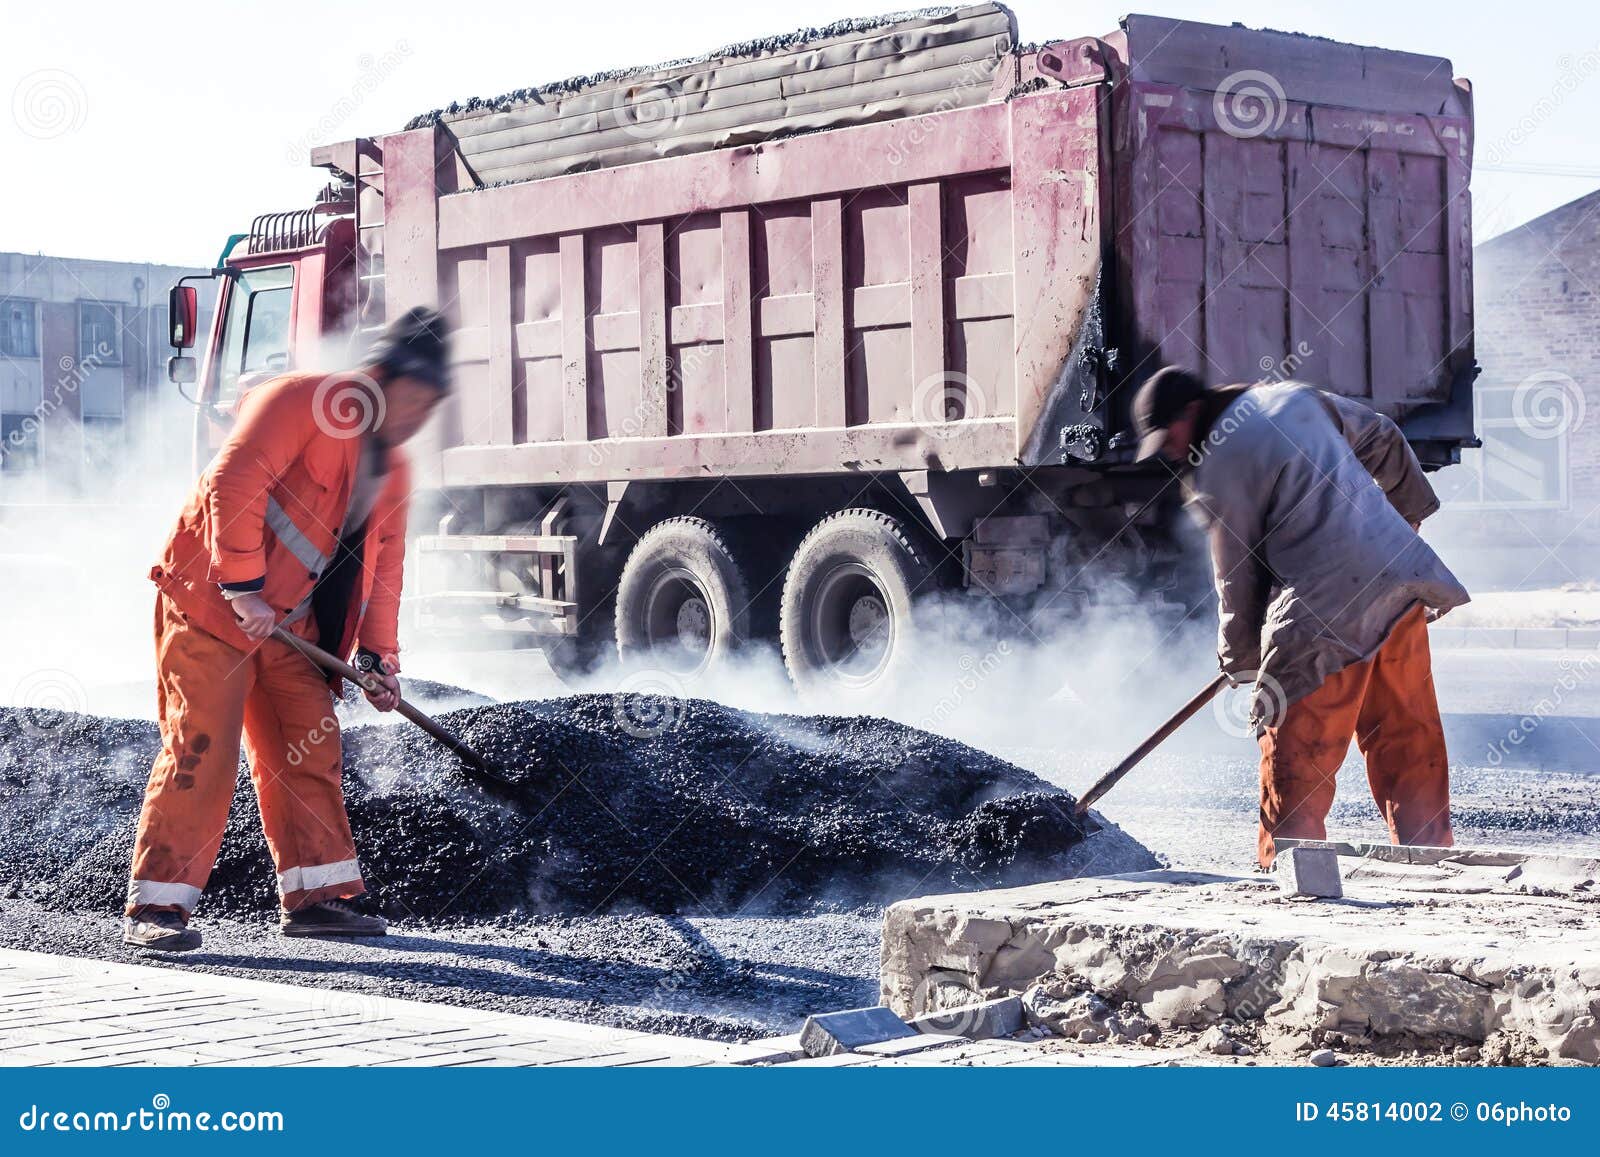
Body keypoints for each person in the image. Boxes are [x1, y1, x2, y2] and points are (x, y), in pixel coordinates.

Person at [122, 308, 451, 951]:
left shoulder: (394, 470)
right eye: (417, 399)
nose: (421, 417)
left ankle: (318, 899)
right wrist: (242, 585)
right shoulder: (300, 401)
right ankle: (157, 907)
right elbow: (234, 478)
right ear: (383, 378)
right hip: (210, 607)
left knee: (309, 746)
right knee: (203, 747)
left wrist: (379, 658)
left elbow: (383, 568)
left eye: (433, 405)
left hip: (284, 624)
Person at [1132, 366, 1469, 868]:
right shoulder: (1293, 399)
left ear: (1192, 412)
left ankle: (1291, 870)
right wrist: (1405, 520)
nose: (1170, 451)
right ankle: (1428, 859)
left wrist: (1241, 657)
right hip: (1401, 582)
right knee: (1404, 731)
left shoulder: (1217, 467)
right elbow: (1383, 436)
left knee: (1293, 747)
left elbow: (1236, 575)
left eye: (1169, 438)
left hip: (1321, 611)